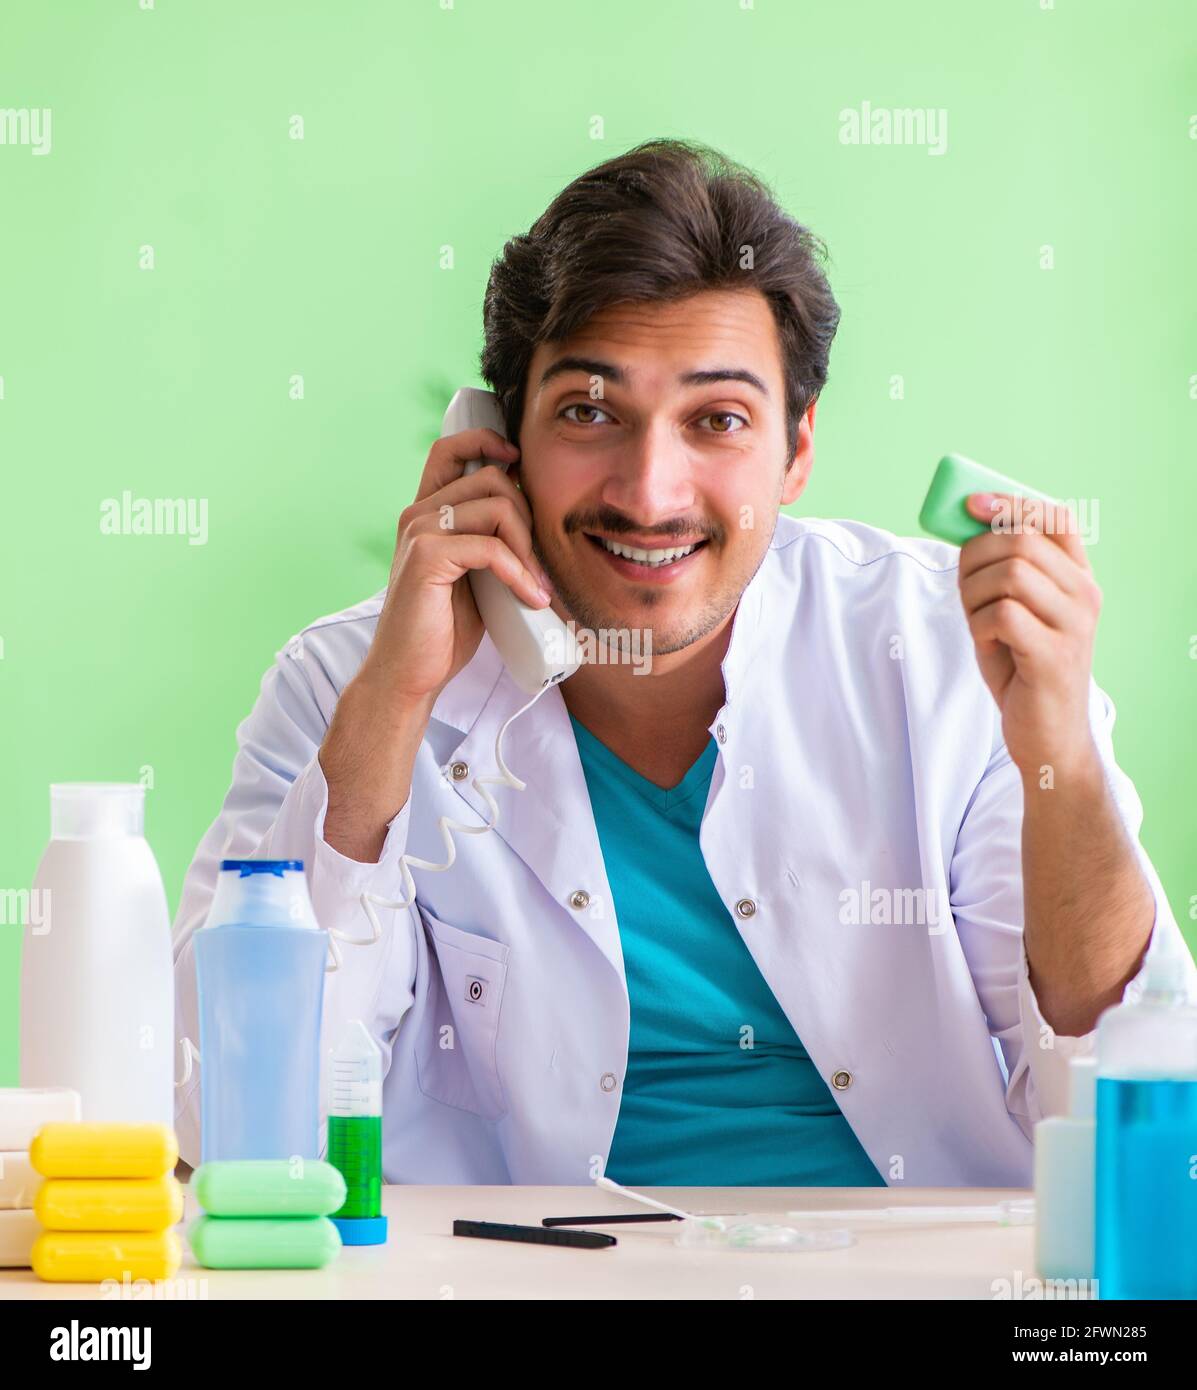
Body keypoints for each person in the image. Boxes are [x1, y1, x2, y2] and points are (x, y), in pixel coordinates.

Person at [172, 138, 1193, 1184]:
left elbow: (1136, 1099)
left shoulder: (937, 651)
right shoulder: (347, 688)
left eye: (718, 420)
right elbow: (226, 1137)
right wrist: (393, 708)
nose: (650, 491)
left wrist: (1058, 749)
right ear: (496, 438)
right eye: (587, 411)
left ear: (796, 451)